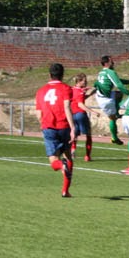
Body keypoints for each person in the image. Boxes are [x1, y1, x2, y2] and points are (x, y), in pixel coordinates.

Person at [35, 63, 76, 197]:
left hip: (49, 127)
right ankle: (65, 190)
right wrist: (72, 127)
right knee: (68, 156)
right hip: (64, 126)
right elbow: (66, 107)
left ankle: (61, 166)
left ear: (49, 75)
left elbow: (39, 113)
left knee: (54, 161)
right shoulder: (66, 88)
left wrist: (43, 124)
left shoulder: (41, 91)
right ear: (63, 75)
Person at [94, 55, 129, 145]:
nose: (113, 62)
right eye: (111, 61)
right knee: (112, 119)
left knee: (118, 95)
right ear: (107, 63)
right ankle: (114, 137)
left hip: (100, 96)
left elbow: (117, 80)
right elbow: (119, 85)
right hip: (106, 99)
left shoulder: (102, 72)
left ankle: (116, 115)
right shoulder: (110, 72)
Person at [70, 73, 96, 161]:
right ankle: (87, 156)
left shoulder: (72, 89)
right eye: (84, 81)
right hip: (81, 114)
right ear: (79, 81)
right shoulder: (80, 91)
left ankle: (72, 150)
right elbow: (80, 104)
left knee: (74, 135)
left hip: (73, 115)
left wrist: (91, 93)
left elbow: (79, 98)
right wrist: (92, 111)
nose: (86, 82)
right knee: (88, 135)